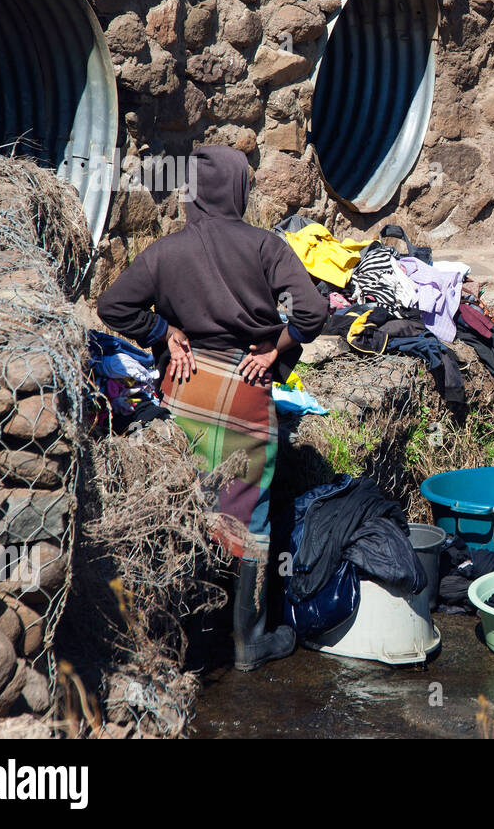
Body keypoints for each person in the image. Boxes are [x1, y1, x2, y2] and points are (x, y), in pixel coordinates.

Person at [97, 145, 328, 671]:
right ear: (237, 190)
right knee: (250, 510)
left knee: (189, 499)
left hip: (185, 389)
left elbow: (112, 305)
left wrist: (164, 330)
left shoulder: (165, 252)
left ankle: (184, 636)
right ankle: (250, 641)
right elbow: (313, 312)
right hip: (244, 391)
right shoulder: (266, 246)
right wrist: (276, 349)